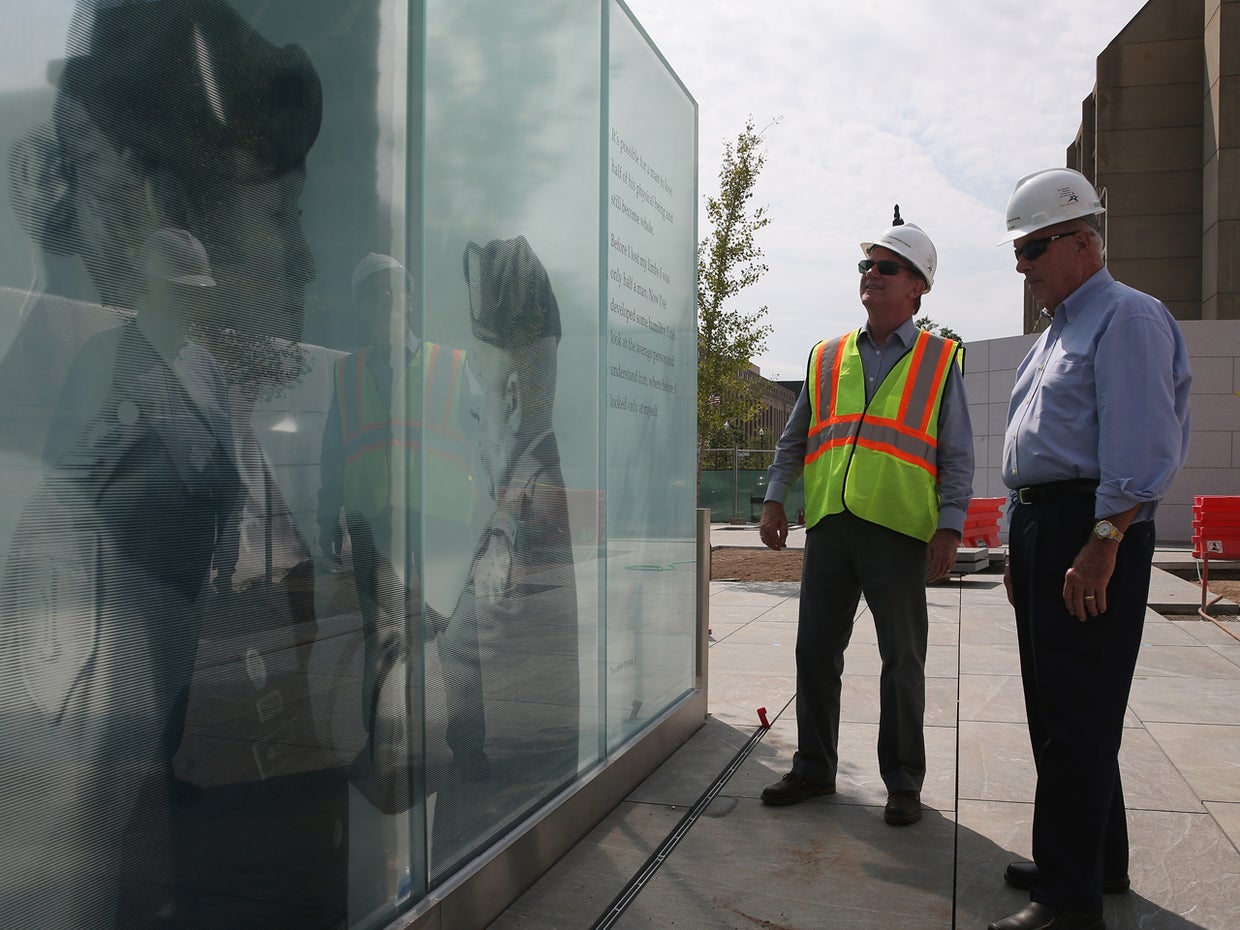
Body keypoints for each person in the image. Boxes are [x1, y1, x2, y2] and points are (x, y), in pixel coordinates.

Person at [987, 169, 1191, 930]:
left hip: (1092, 527)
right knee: (1063, 709)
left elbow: (1141, 445)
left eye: (1034, 247)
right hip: (1047, 527)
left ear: (1082, 242)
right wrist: (1019, 544)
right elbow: (1036, 451)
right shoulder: (1060, 332)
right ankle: (1094, 862)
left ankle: (1068, 903)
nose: (1023, 264)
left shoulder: (1126, 318)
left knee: (1077, 716)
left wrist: (1104, 541)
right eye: (1018, 250)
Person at [757, 209, 974, 826]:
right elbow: (794, 439)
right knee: (815, 651)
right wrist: (775, 497)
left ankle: (903, 781)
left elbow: (958, 455)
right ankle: (814, 769)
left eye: (888, 267)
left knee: (901, 659)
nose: (872, 275)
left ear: (917, 286)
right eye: (867, 265)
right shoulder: (827, 356)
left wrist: (950, 527)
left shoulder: (940, 360)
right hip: (830, 526)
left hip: (900, 533)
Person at [316, 252, 485, 798]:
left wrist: (488, 514)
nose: (386, 302)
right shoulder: (346, 372)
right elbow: (334, 450)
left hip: (440, 525)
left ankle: (469, 748)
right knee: (381, 642)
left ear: (410, 299)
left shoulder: (449, 366)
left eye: (395, 291)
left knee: (455, 638)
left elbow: (485, 444)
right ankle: (381, 746)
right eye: (374, 293)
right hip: (374, 523)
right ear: (360, 305)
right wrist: (327, 512)